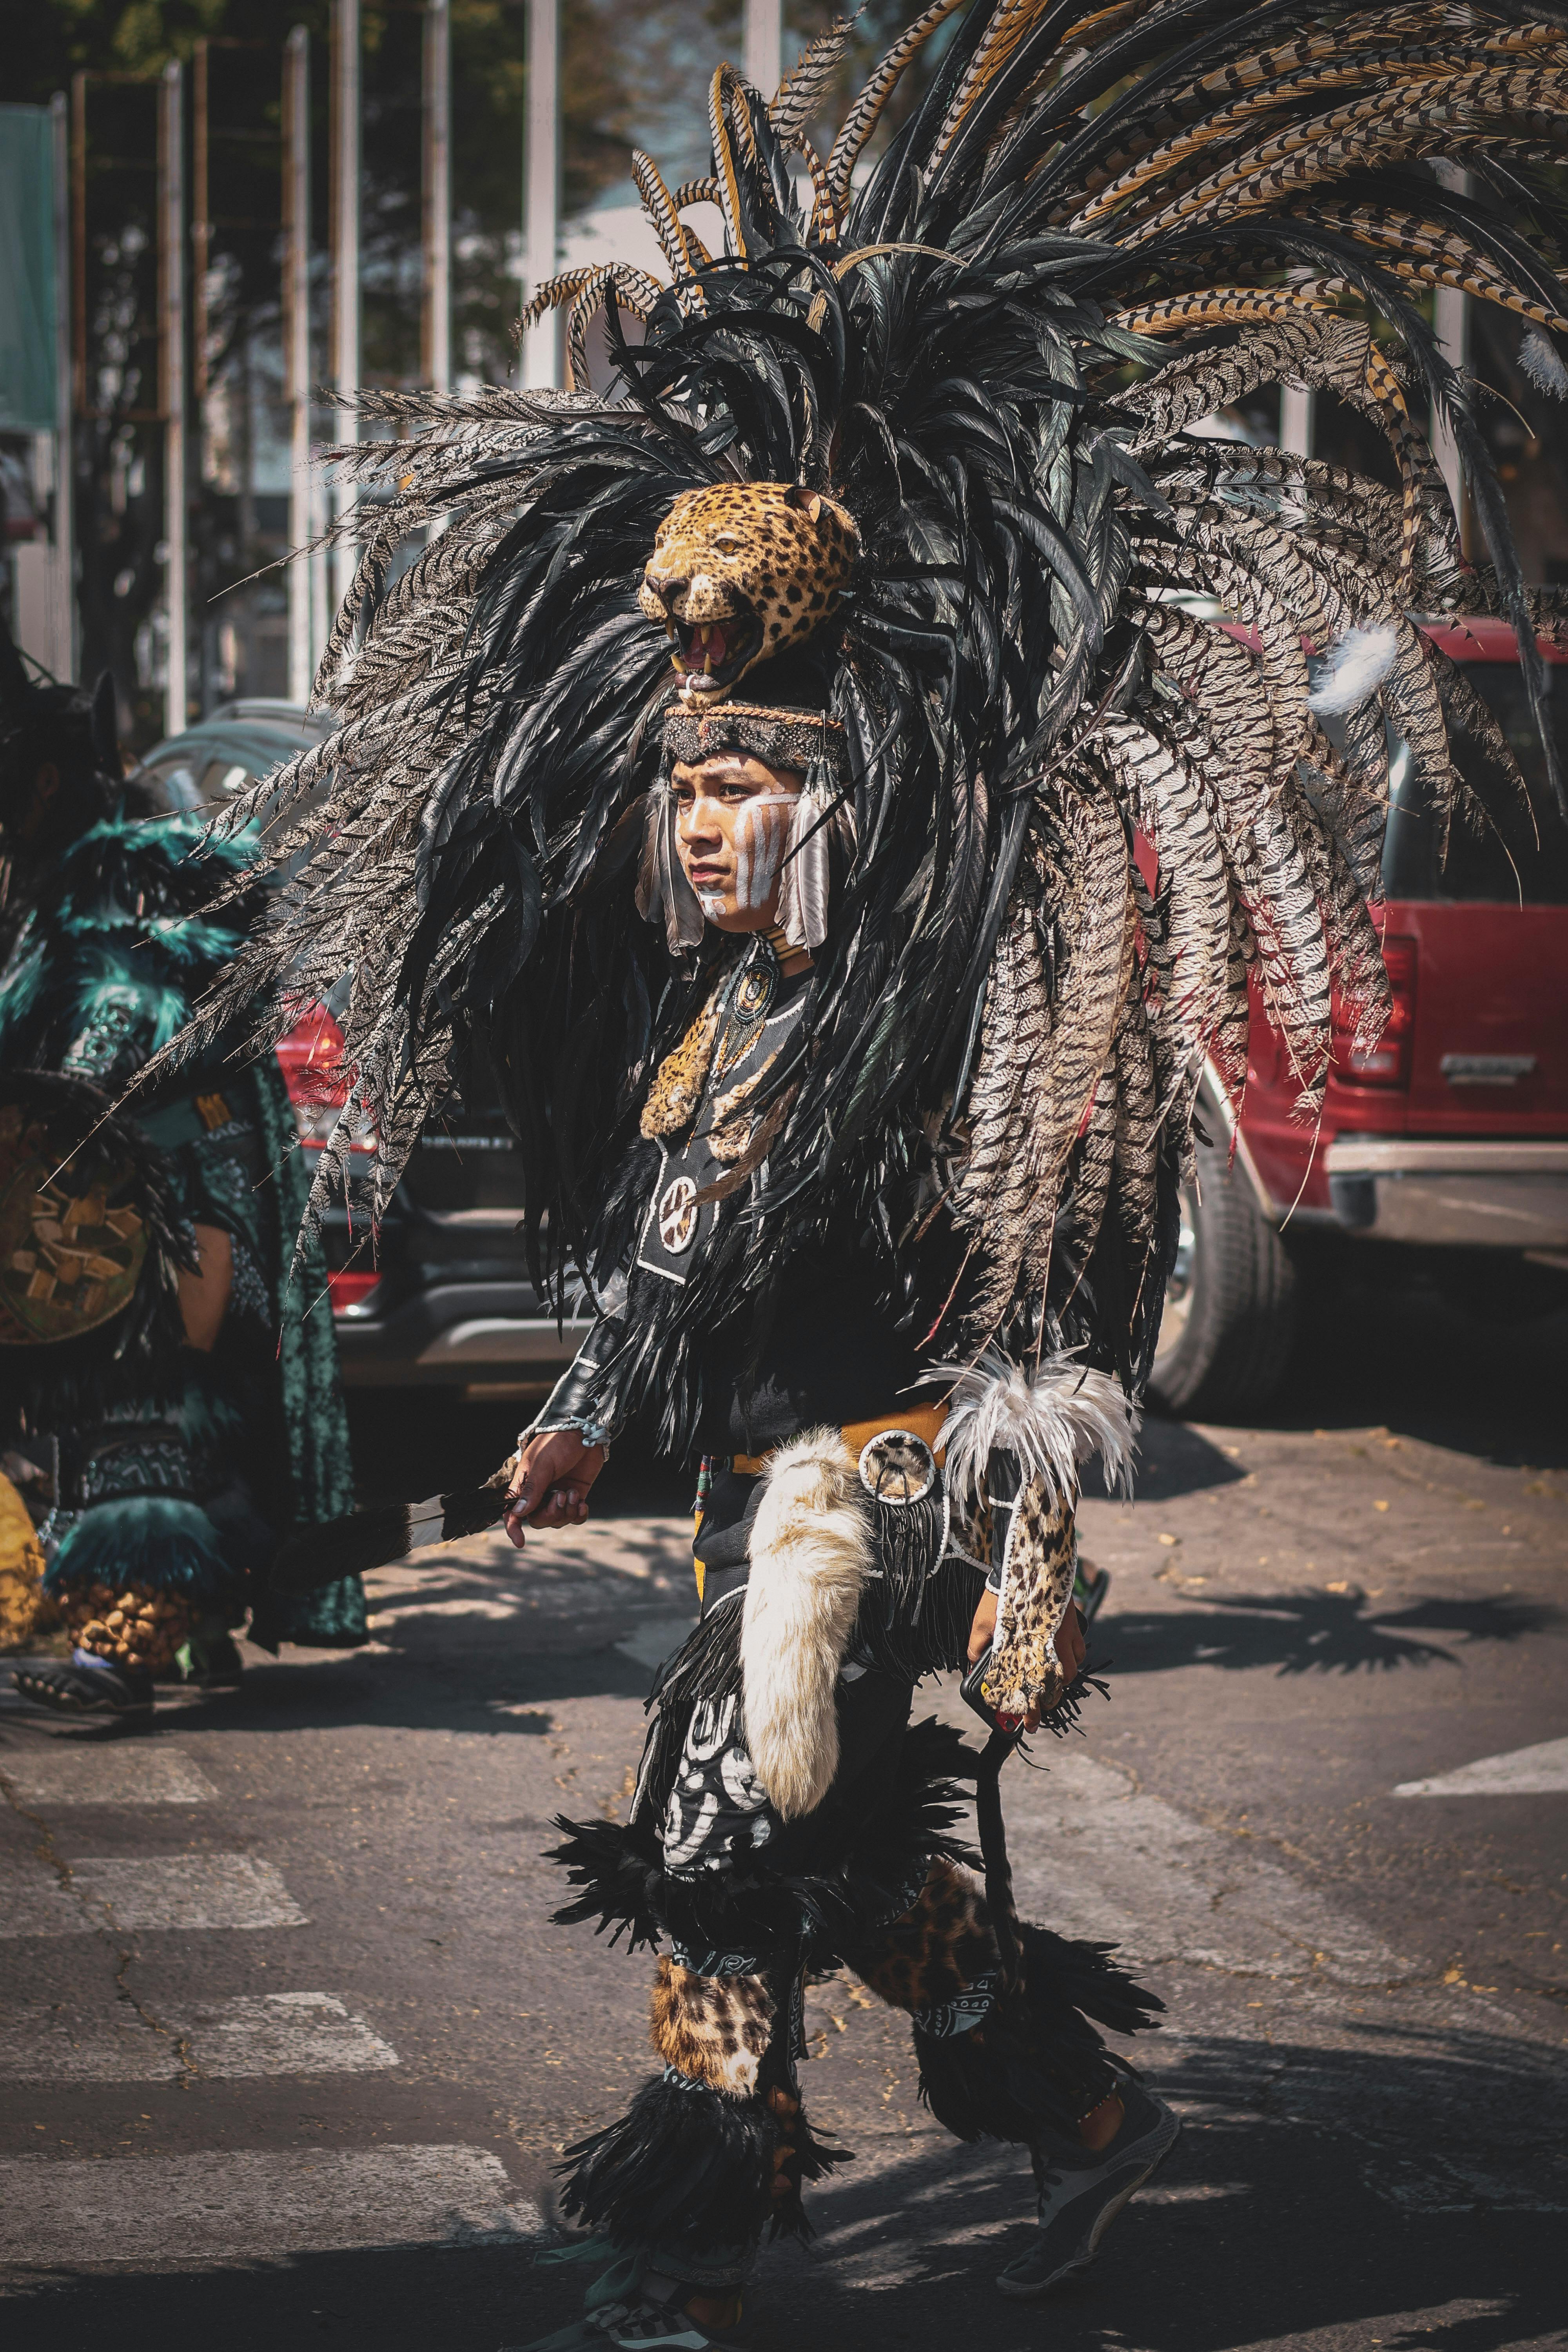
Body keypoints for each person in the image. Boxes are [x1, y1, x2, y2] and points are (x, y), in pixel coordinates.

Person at [149, 5, 1566, 2337]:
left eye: (742, 796)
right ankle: (1076, 2111)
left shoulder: (923, 1037)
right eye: (682, 799)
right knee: (827, 1846)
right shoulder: (718, 1024)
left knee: (716, 1811)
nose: (704, 830)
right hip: (750, 1492)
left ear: (823, 801)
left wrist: (1022, 1560)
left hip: (879, 1500)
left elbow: (1046, 1306)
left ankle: (677, 2231)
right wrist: (586, 1403)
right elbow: (674, 1242)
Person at [0, 628, 364, 1721]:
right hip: (127, 1206)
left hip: (169, 1206)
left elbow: (121, 1038)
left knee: (143, 1413)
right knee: (113, 1411)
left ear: (45, 780)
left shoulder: (126, 875)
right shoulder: (63, 878)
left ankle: (128, 1644)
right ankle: (176, 1623)